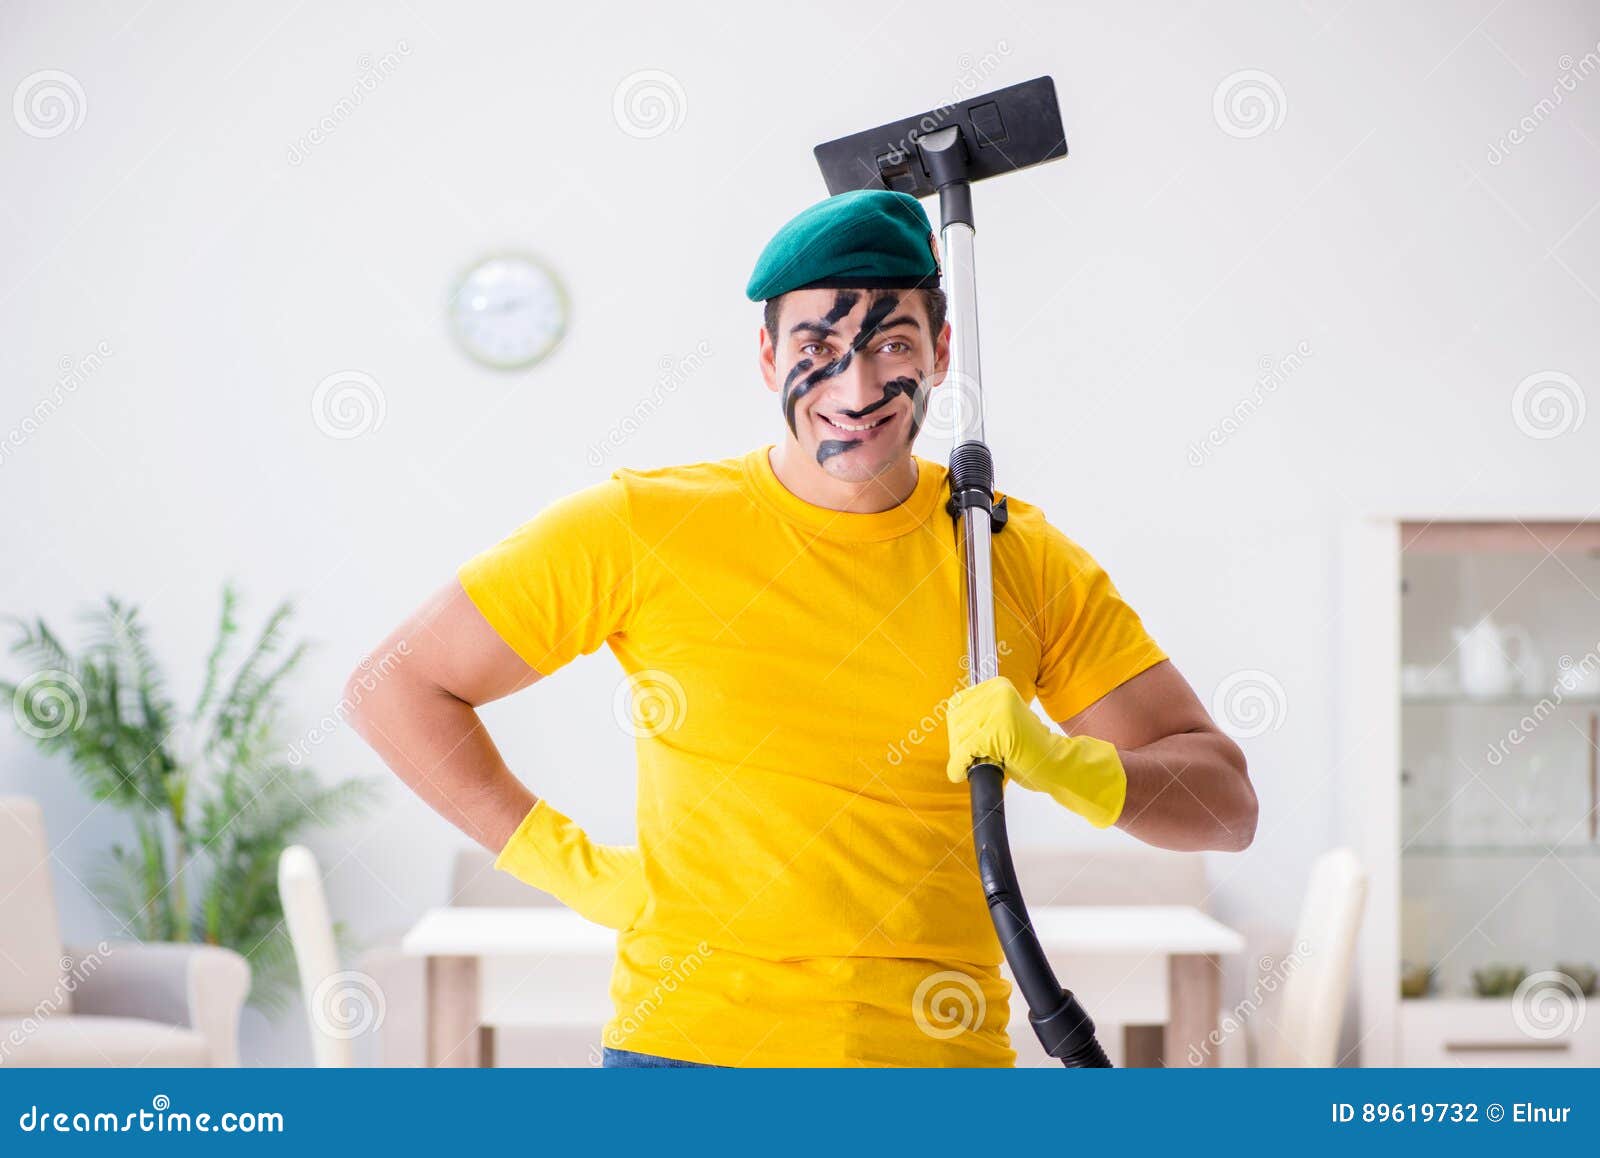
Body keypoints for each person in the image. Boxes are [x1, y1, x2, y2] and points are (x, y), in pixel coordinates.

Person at [348, 188, 1257, 1068]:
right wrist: (573, 869)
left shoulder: (1011, 557)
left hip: (938, 1074)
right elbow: (394, 686)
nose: (855, 387)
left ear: (942, 351)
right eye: (818, 345)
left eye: (891, 342)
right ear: (767, 356)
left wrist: (1068, 765)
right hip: (688, 1064)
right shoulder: (641, 526)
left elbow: (1227, 806)